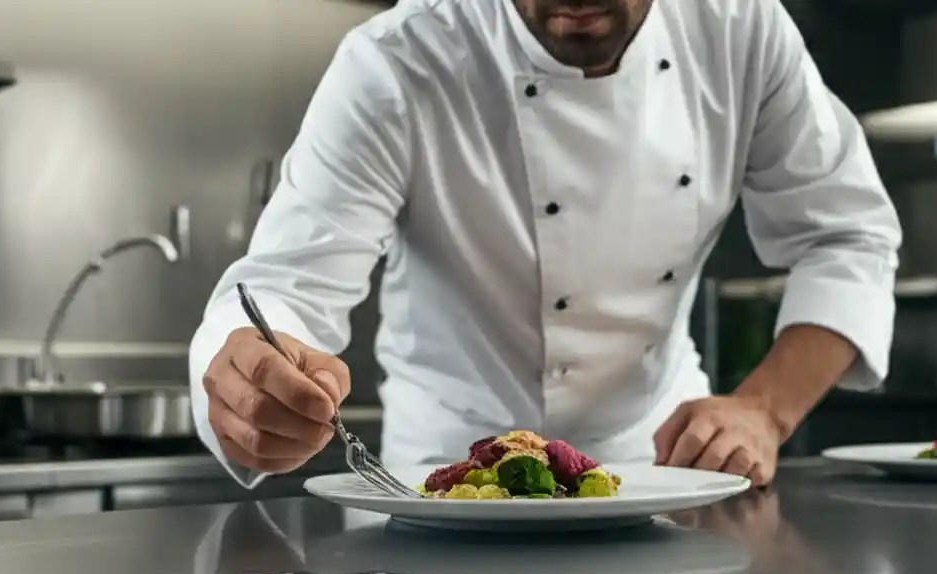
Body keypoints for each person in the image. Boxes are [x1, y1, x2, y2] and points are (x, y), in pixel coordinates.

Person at [190, 0, 900, 488]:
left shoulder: (739, 29)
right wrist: (251, 379)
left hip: (664, 476)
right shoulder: (398, 62)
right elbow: (285, 285)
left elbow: (848, 234)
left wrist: (763, 411)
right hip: (446, 486)